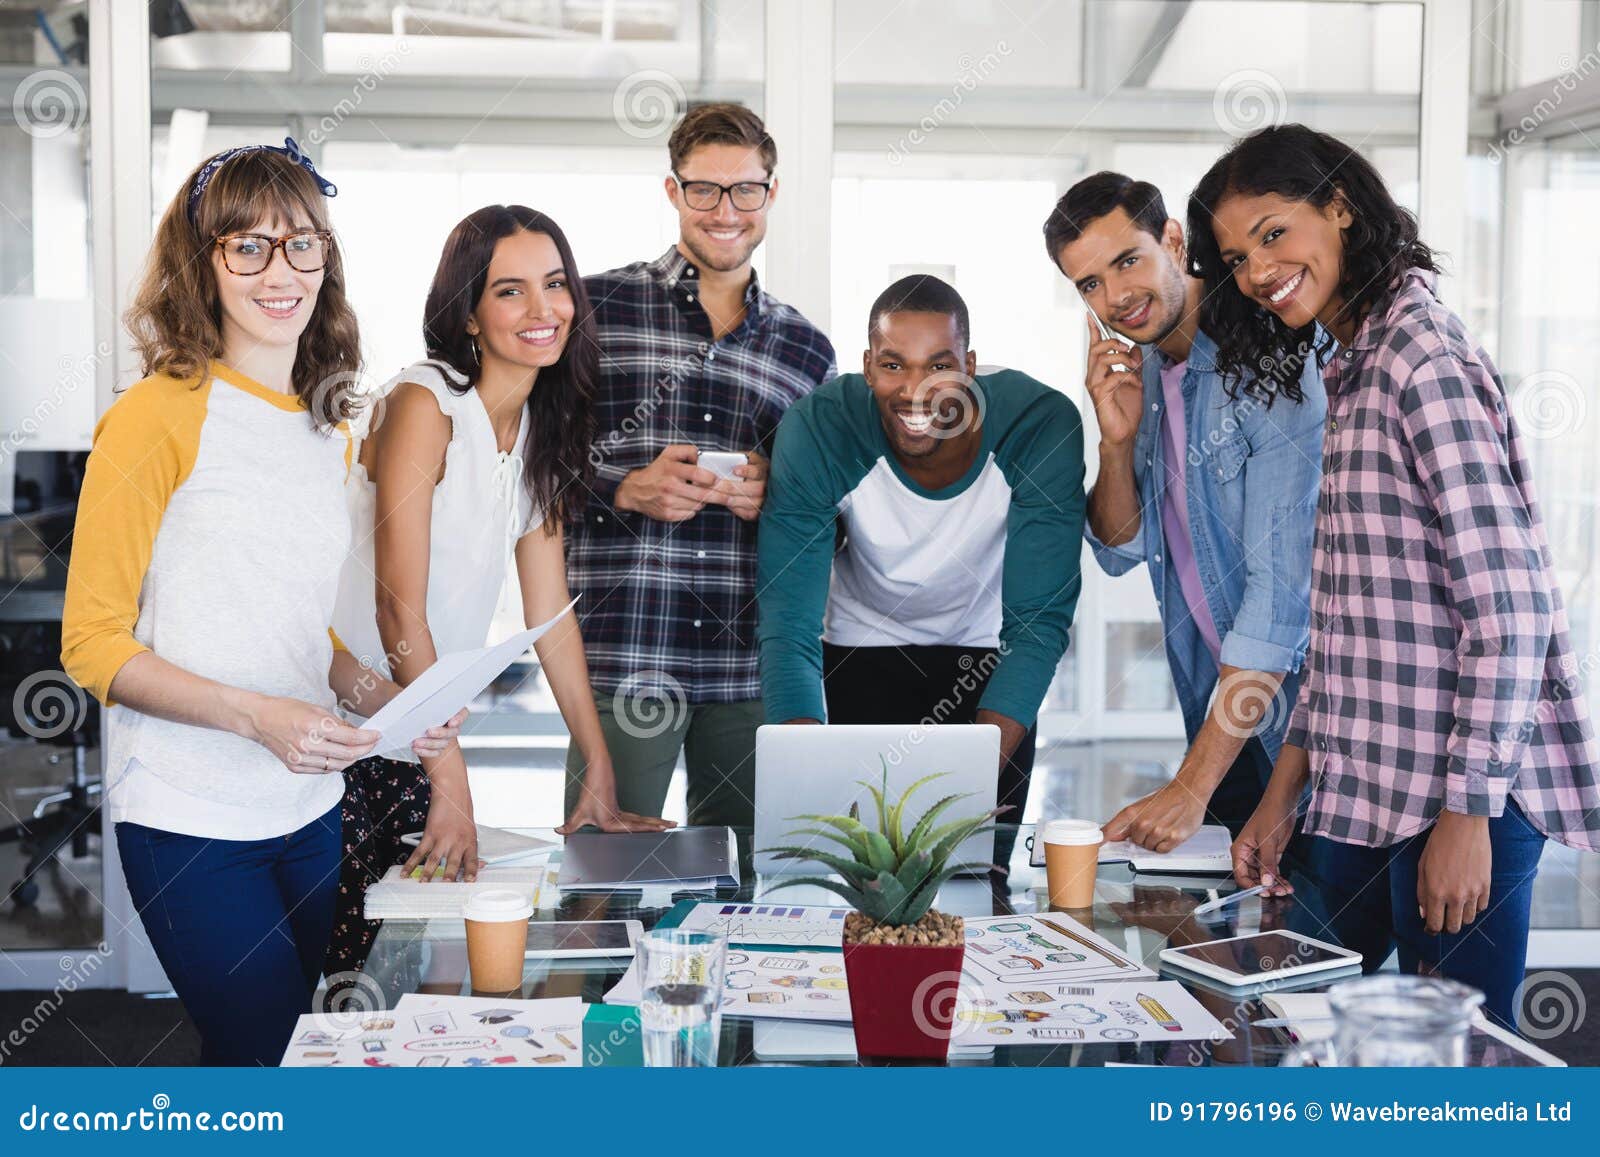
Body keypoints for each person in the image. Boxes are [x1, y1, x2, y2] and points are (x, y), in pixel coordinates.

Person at [59, 141, 461, 1065]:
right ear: (203, 264)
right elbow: (91, 644)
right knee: (265, 1051)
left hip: (309, 810)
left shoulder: (326, 424)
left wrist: (383, 699)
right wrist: (253, 716)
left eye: (302, 244)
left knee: (294, 1053)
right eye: (248, 247)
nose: (280, 272)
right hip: (189, 817)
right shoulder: (156, 414)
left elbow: (282, 614)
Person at [1189, 123, 1600, 1028]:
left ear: (1339, 207)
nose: (1258, 270)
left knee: (1452, 1087)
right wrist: (1279, 795)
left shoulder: (1420, 357)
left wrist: (1469, 819)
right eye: (1235, 255)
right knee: (1291, 1029)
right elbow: (1345, 634)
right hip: (1363, 788)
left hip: (1455, 803)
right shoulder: (1354, 363)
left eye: (1272, 233)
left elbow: (1511, 609)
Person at [325, 206, 673, 974]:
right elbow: (395, 606)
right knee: (345, 973)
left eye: (555, 284)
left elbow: (551, 616)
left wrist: (599, 767)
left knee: (410, 970)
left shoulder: (539, 428)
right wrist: (450, 776)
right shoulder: (425, 404)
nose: (543, 309)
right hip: (339, 728)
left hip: (414, 732)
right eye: (510, 291)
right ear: (470, 314)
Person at [564, 103, 835, 829]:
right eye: (704, 190)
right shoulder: (592, 309)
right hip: (624, 657)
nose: (725, 210)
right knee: (603, 885)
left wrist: (778, 495)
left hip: (750, 667)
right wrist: (623, 485)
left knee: (750, 896)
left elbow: (831, 517)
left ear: (771, 194)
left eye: (745, 189)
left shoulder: (808, 350)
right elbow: (531, 470)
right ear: (672, 192)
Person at [1044, 172, 1325, 851]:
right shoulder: (1139, 372)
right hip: (1215, 710)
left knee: (1327, 934)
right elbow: (1117, 549)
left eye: (1127, 260)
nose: (1117, 296)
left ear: (1172, 238)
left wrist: (1190, 784)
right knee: (1249, 934)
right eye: (1089, 284)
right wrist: (1113, 442)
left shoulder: (1267, 358)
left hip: (1307, 723)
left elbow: (1280, 599)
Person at [758, 274, 1086, 852]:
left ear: (970, 363)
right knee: (852, 871)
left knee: (974, 871)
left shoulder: (1038, 422)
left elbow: (1039, 622)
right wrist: (805, 777)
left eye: (939, 366)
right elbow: (790, 626)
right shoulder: (818, 427)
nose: (915, 391)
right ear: (865, 366)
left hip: (986, 657)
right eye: (892, 366)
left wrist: (972, 776)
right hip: (858, 650)